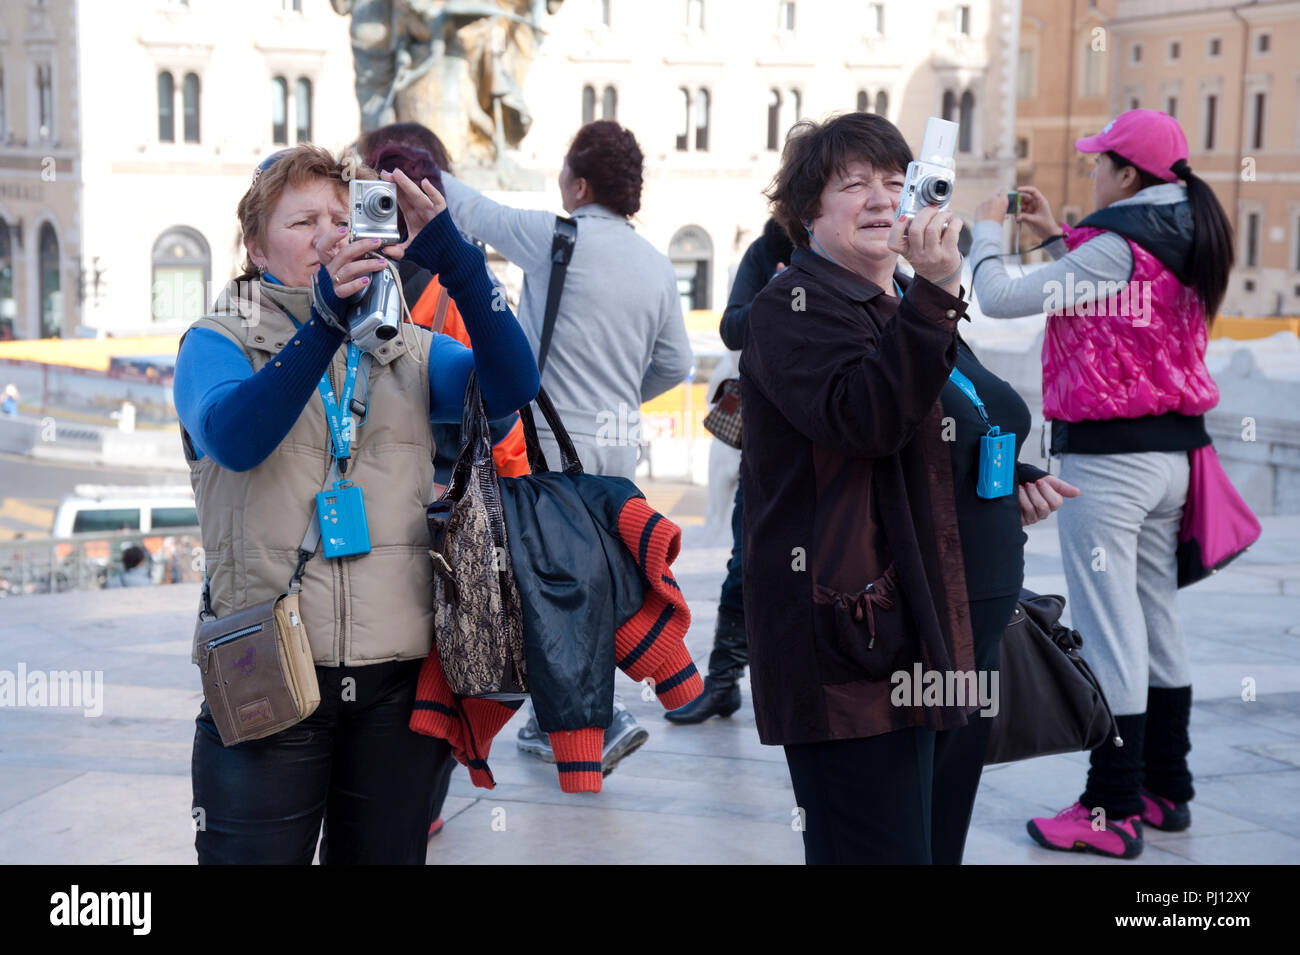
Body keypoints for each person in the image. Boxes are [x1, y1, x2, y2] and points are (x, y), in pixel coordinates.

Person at [176, 143, 539, 865]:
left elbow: (512, 385)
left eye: (342, 218)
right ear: (254, 245)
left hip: (394, 684)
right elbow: (235, 437)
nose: (327, 234)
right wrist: (322, 325)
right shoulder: (217, 341)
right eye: (302, 220)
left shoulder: (403, 347)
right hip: (266, 672)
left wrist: (459, 261)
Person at [741, 111, 1072, 865]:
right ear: (806, 214)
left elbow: (937, 422)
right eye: (854, 185)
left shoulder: (895, 302)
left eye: (897, 181)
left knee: (928, 850)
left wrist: (1002, 476)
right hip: (857, 646)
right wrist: (936, 290)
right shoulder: (792, 308)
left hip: (940, 635)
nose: (884, 199)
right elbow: (865, 419)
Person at [970, 109, 1232, 859]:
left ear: (1126, 174)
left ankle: (1109, 809)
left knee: (1112, 634)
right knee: (1154, 623)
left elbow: (1001, 298)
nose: (1089, 172)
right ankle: (1164, 788)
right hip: (1173, 460)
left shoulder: (1119, 244)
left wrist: (989, 233)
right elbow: (1105, 302)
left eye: (1098, 162)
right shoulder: (1186, 233)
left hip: (1110, 465)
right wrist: (1057, 237)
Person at [438, 119, 694, 772]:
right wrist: (619, 396)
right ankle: (589, 708)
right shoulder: (657, 265)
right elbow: (675, 364)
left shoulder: (558, 236)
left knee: (550, 587)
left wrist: (409, 167)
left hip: (550, 445)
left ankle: (597, 717)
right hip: (615, 451)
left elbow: (470, 210)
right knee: (597, 577)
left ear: (578, 184)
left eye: (561, 174)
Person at [666, 218, 792, 725]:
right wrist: (778, 294)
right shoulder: (769, 249)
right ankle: (722, 683)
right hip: (769, 433)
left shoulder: (869, 251)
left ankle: (796, 689)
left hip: (837, 438)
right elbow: (731, 325)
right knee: (748, 559)